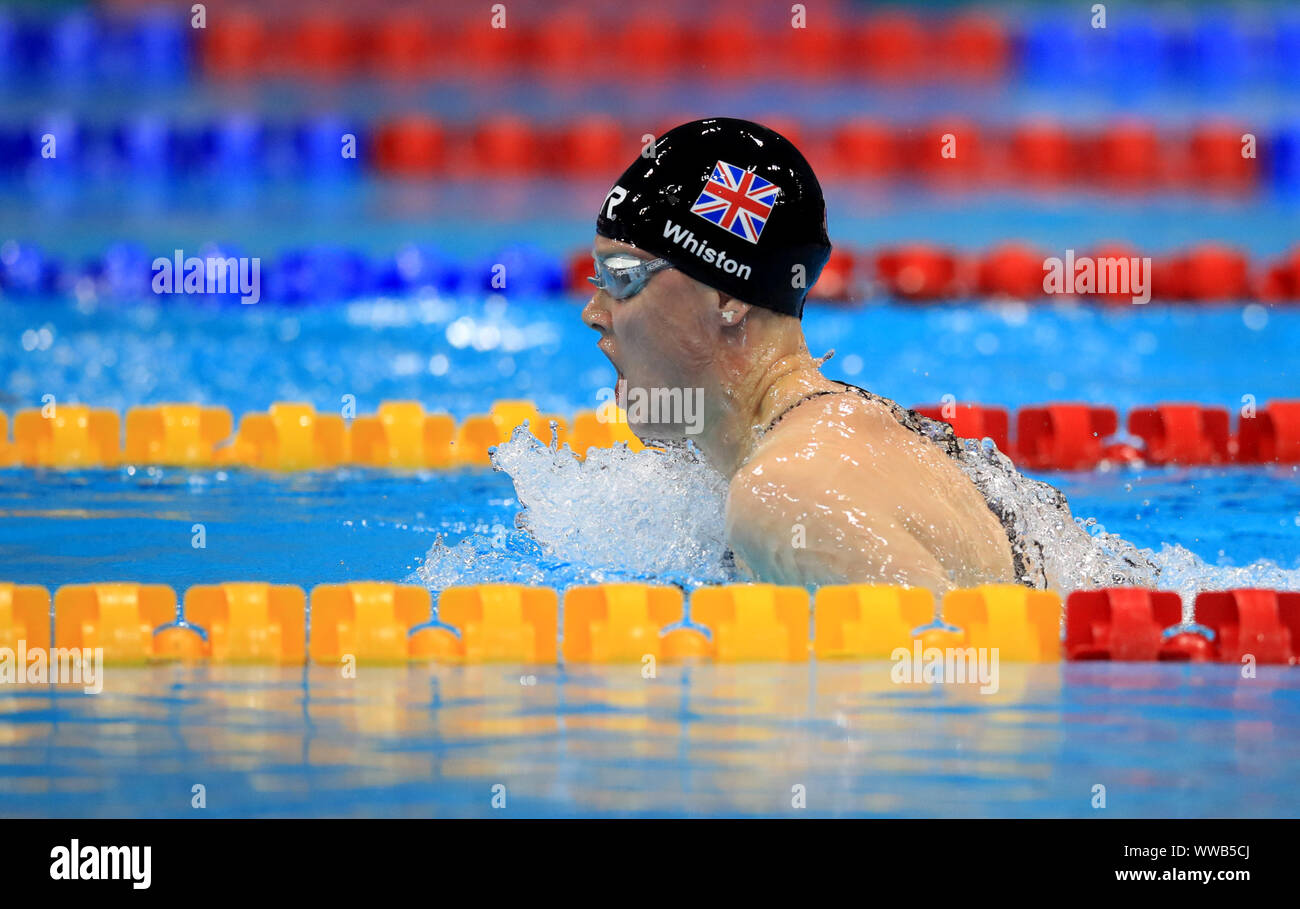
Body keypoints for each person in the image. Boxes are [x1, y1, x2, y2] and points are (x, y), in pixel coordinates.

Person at [581, 117, 1023, 594]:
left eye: (622, 277)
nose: (593, 313)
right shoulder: (838, 430)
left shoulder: (783, 495)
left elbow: (944, 652)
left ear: (728, 298)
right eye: (596, 279)